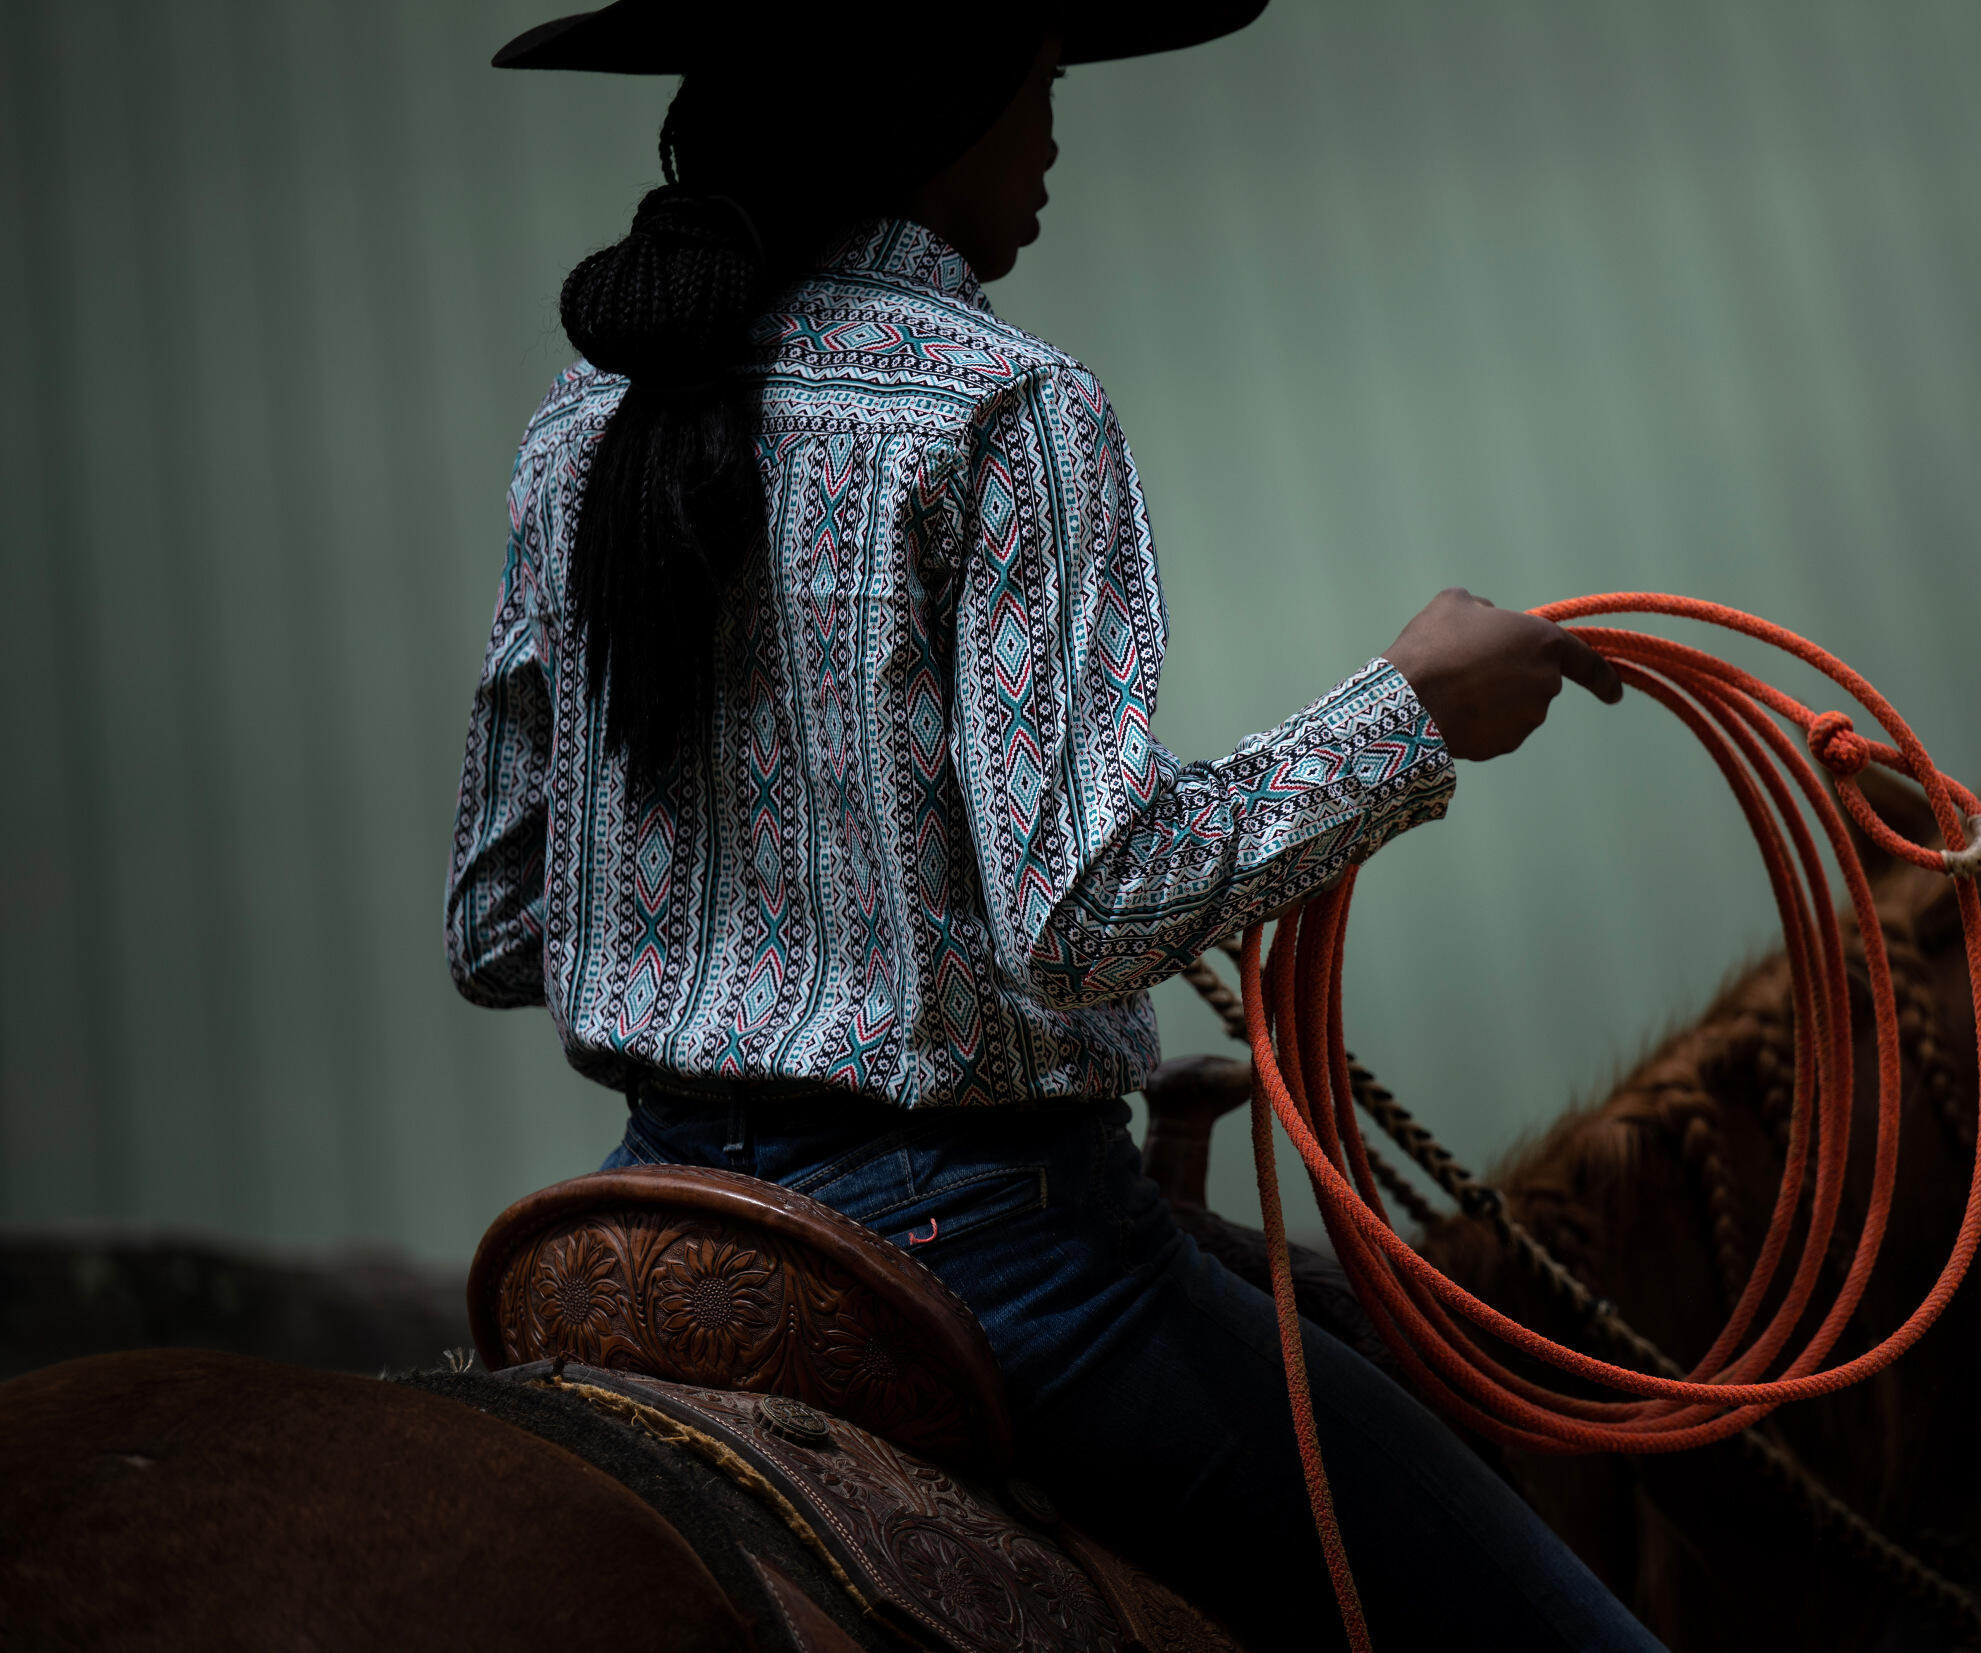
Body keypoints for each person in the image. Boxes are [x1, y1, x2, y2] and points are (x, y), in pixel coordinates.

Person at [449, 4, 1654, 1647]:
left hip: (648, 1205)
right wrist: (1408, 716)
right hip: (994, 1252)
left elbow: (504, 925)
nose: (1055, 139)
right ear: (933, 104)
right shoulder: (1009, 411)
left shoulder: (580, 423)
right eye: (1042, 89)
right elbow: (1082, 911)